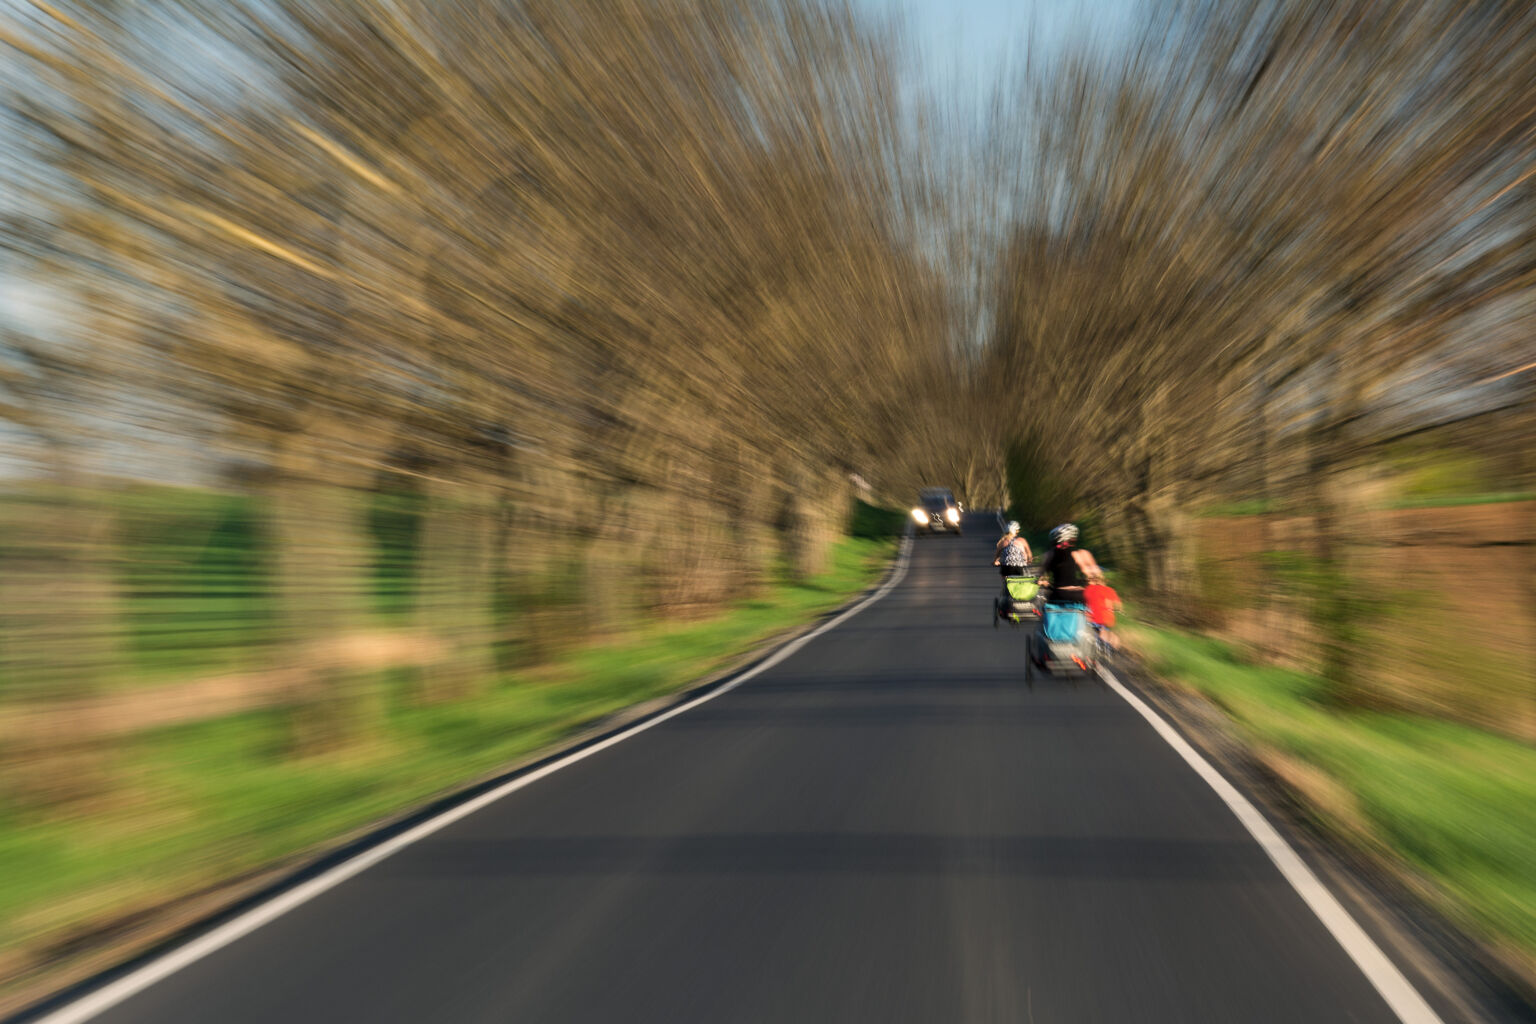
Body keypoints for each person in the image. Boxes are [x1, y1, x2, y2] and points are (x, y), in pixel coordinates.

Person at [1036, 523, 1101, 606]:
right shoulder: (1077, 554)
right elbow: (1088, 574)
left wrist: (1045, 583)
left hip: (1057, 594)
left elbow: (1039, 578)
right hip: (1077, 594)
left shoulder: (1048, 555)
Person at [1084, 572, 1122, 649]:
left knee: (1092, 628)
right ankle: (1109, 644)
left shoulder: (1088, 589)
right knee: (1106, 628)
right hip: (1108, 619)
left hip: (1093, 619)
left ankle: (1097, 642)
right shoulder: (1110, 590)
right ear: (1105, 581)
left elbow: (1085, 603)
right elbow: (1118, 605)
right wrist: (1116, 609)